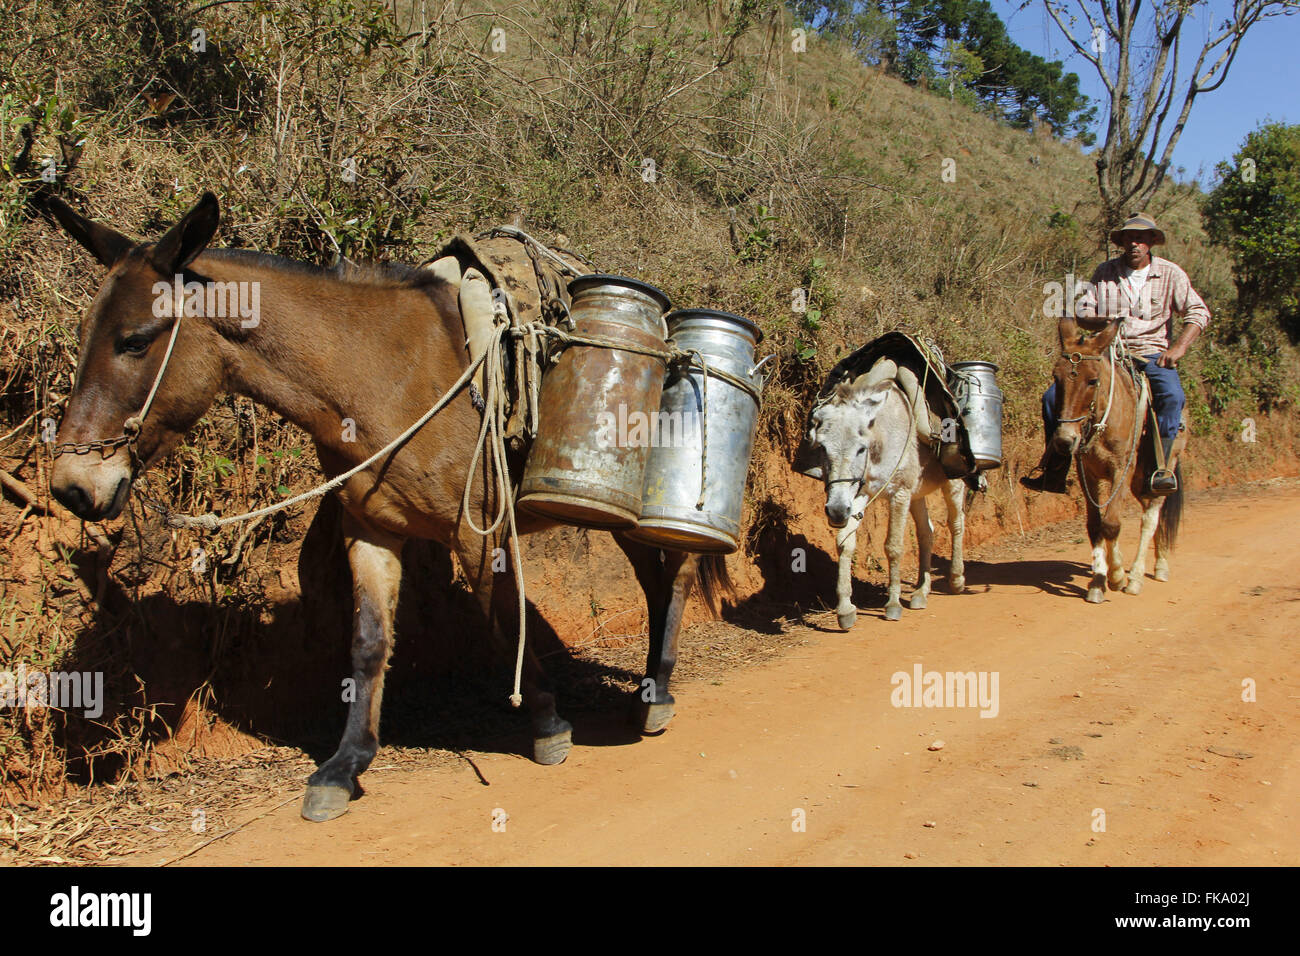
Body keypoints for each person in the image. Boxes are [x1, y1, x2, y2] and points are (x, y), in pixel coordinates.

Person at [1021, 213, 1210, 496]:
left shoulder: (1171, 273)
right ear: (1122, 242)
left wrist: (1178, 348)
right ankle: (1054, 469)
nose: (1135, 243)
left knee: (1172, 396)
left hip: (1151, 355)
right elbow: (1083, 310)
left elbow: (1198, 312)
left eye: (1141, 238)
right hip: (1108, 355)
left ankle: (1162, 469)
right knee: (1052, 397)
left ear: (1151, 242)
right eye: (1129, 238)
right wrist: (1102, 322)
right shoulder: (1105, 272)